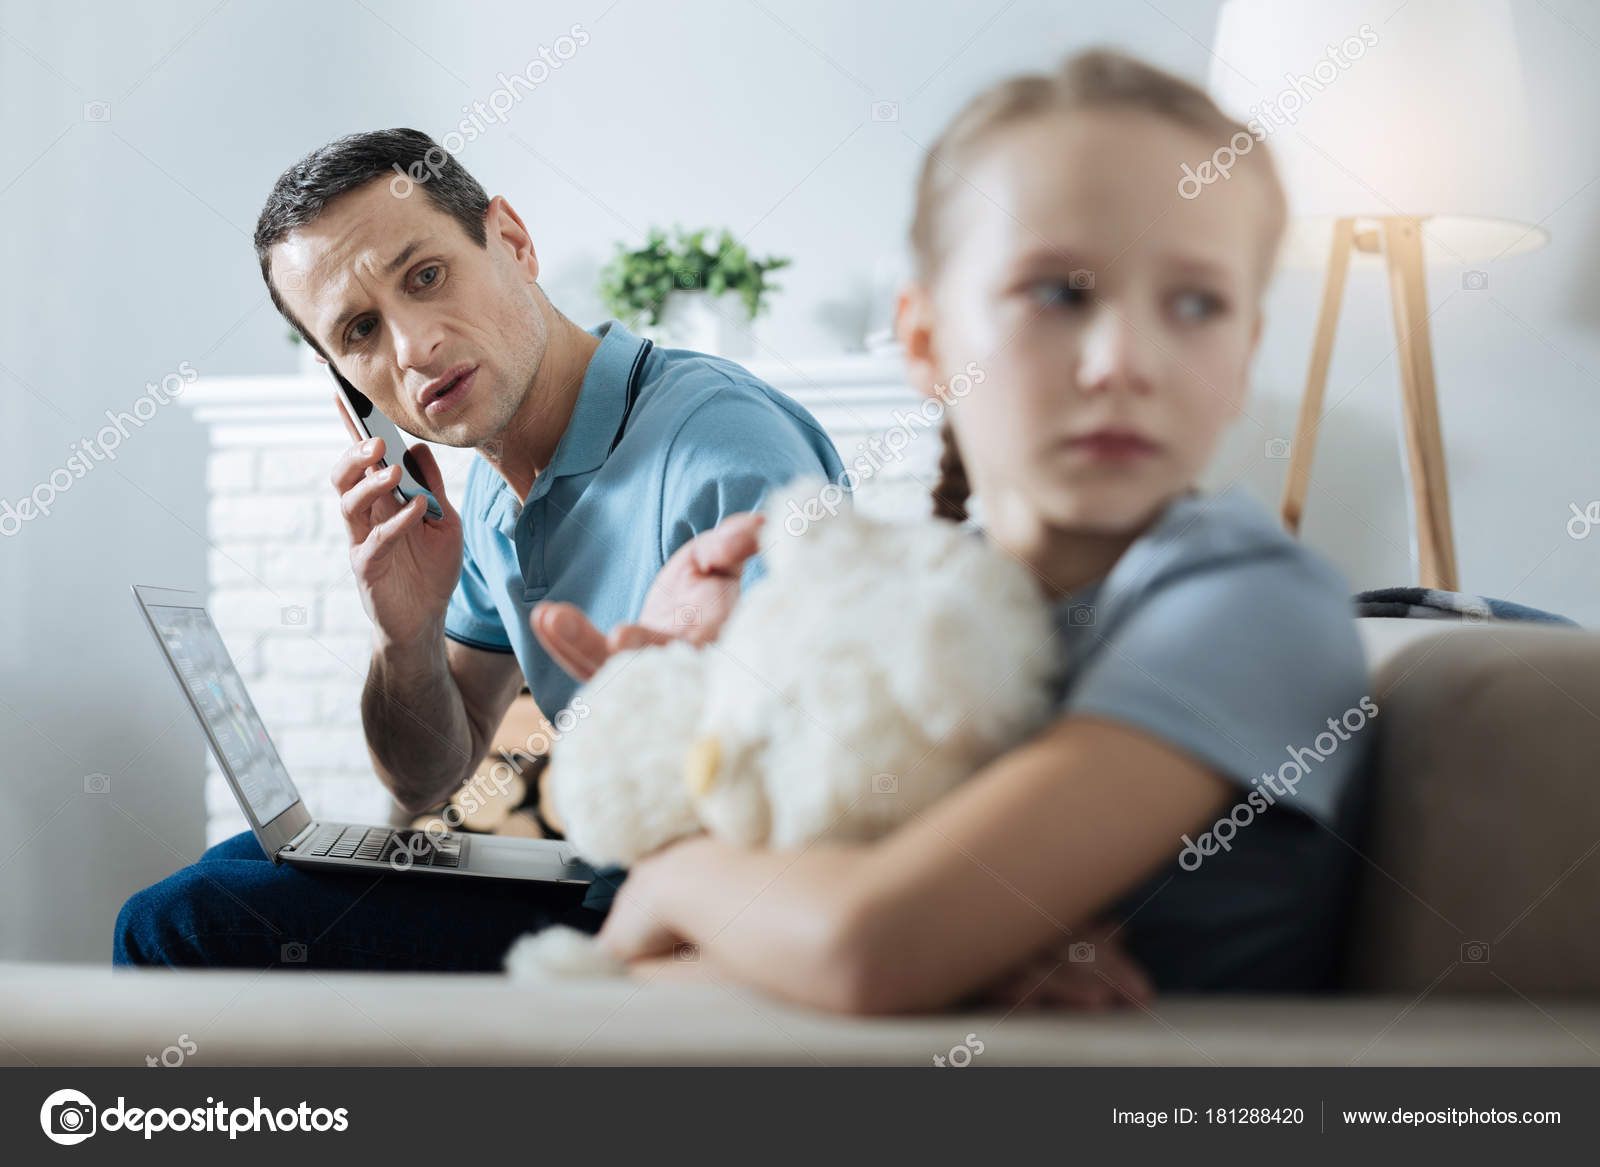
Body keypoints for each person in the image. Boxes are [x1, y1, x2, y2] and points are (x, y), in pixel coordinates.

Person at [536, 49, 1375, 1013]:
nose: (1123, 361)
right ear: (928, 342)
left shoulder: (1254, 605)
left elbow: (865, 946)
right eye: (1060, 292)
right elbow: (719, 945)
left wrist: (675, 875)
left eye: (1196, 303)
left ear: (1242, 359)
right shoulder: (919, 612)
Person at [113, 129, 846, 969]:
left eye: (426, 276)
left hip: (703, 912)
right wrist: (406, 632)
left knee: (178, 922)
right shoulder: (495, 485)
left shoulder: (727, 450)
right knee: (237, 864)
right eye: (358, 331)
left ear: (514, 241)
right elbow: (427, 777)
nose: (413, 347)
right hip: (606, 877)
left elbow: (813, 785)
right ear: (348, 386)